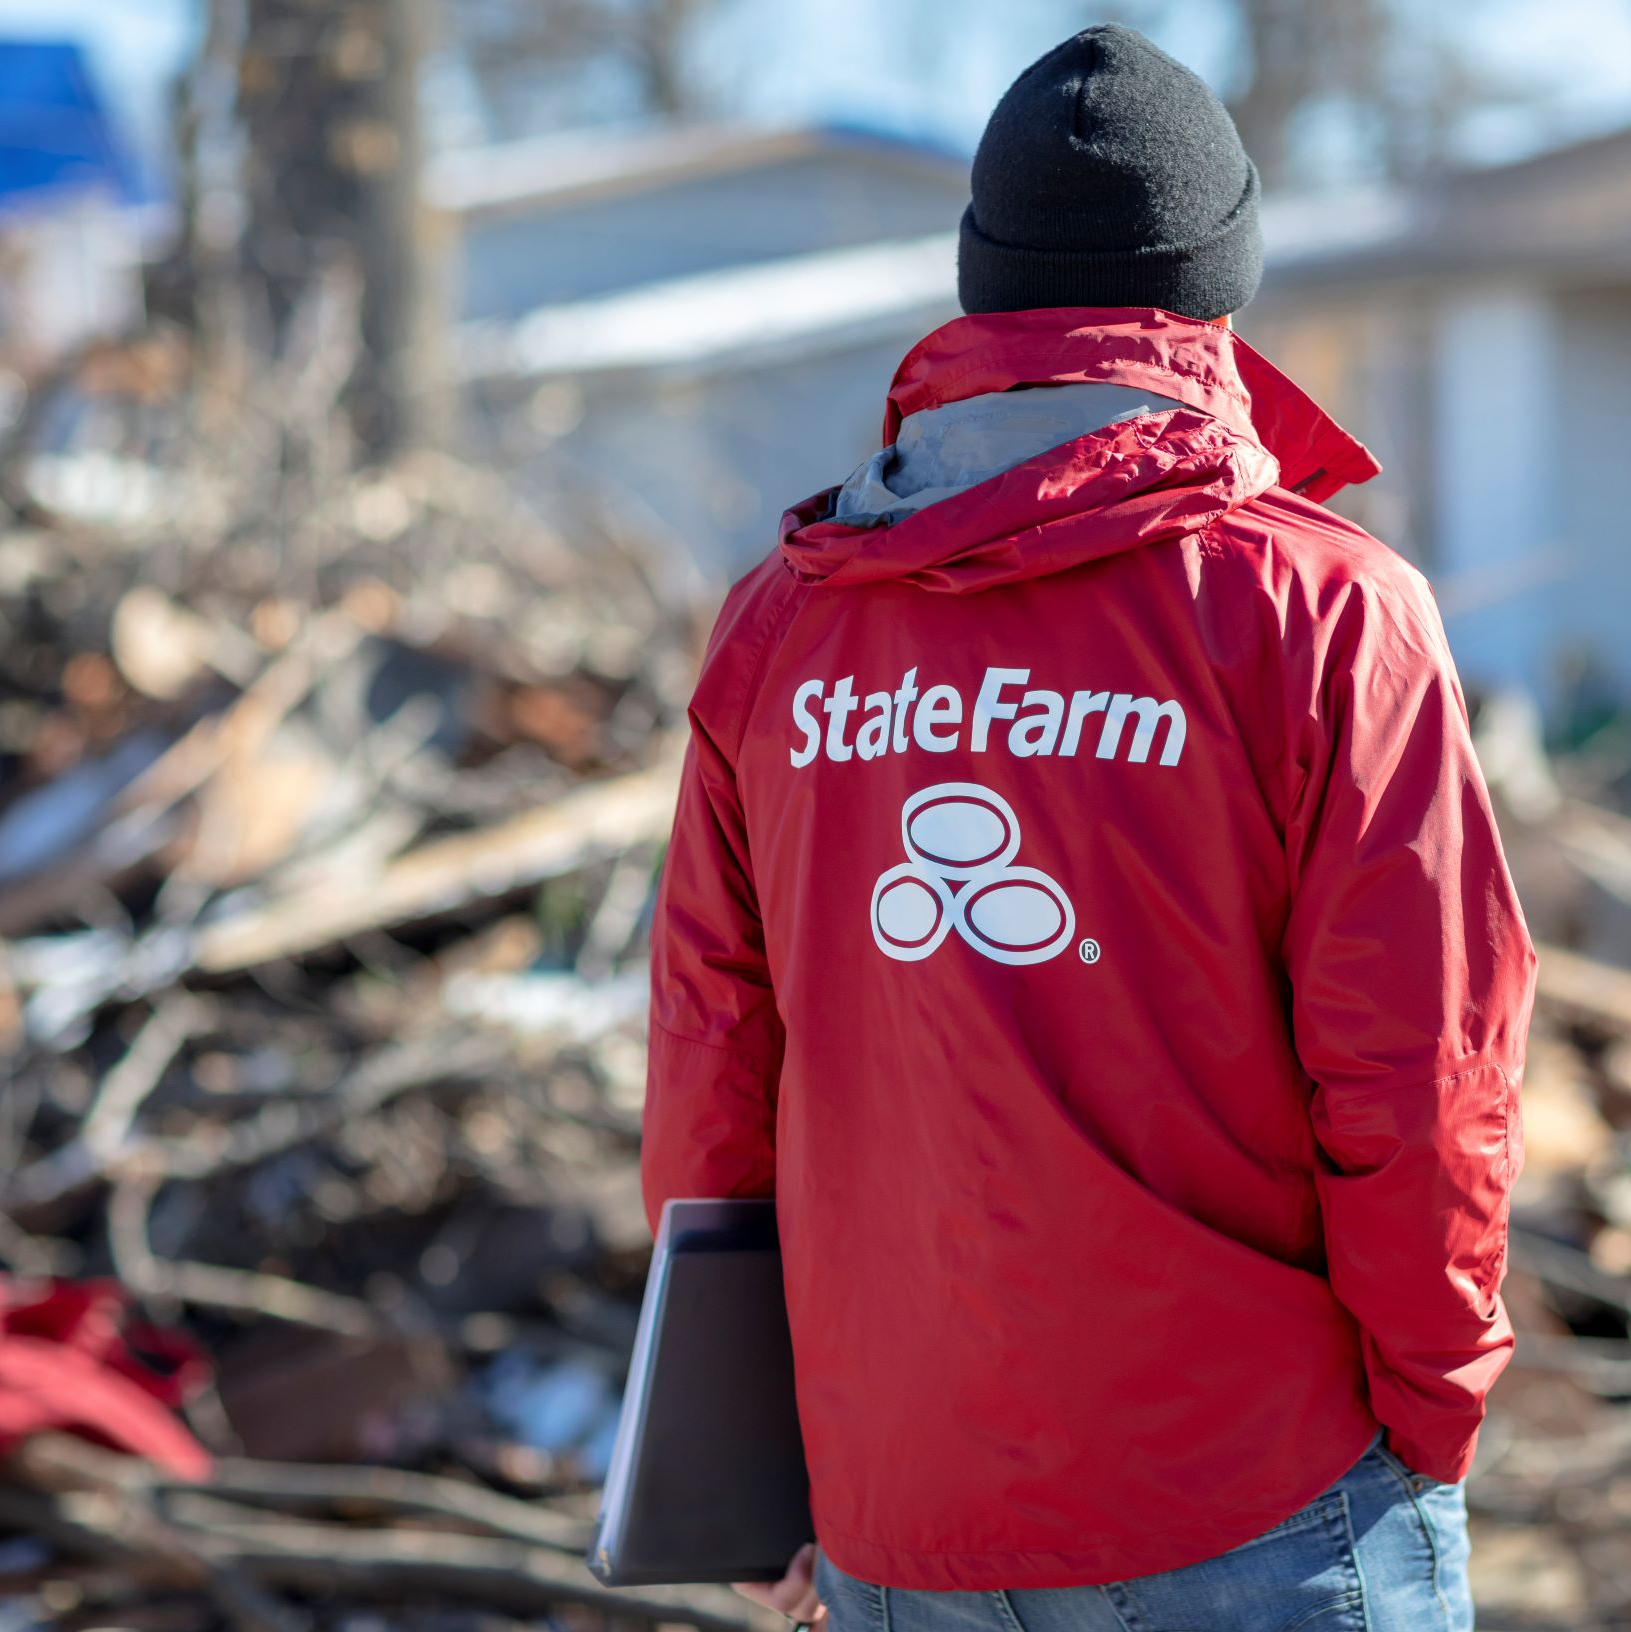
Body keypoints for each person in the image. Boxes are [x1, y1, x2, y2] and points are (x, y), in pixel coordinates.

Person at [644, 23, 1535, 1630]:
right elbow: (1420, 1073)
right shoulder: (1319, 609)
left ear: (985, 286)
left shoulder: (783, 628)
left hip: (899, 1509)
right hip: (1254, 1492)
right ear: (1216, 289)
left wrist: (745, 1453)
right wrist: (1431, 1405)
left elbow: (712, 1066)